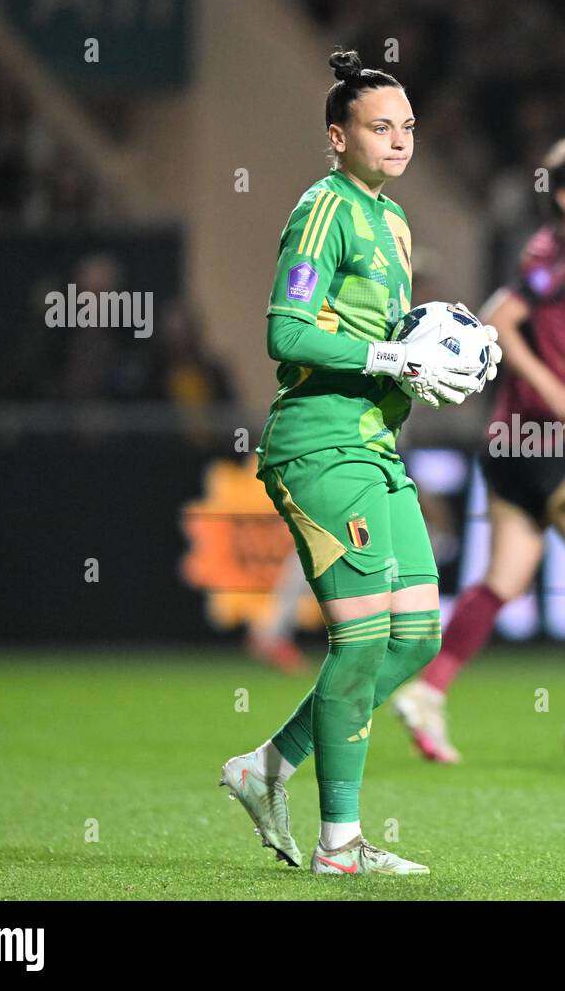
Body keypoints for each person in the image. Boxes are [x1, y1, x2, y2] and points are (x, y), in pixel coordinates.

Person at [218, 49, 500, 878]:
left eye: (408, 127)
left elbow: (391, 338)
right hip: (320, 442)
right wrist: (390, 358)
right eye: (381, 127)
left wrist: (437, 349)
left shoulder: (395, 219)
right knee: (363, 635)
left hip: (378, 445)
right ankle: (339, 844)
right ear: (337, 136)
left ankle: (266, 768)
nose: (399, 140)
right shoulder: (323, 208)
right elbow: (287, 331)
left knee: (415, 639)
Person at [391, 134, 565, 763]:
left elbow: (552, 330)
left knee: (504, 579)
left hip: (512, 443)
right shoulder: (558, 255)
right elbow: (499, 318)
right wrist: (553, 386)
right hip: (554, 442)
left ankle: (428, 692)